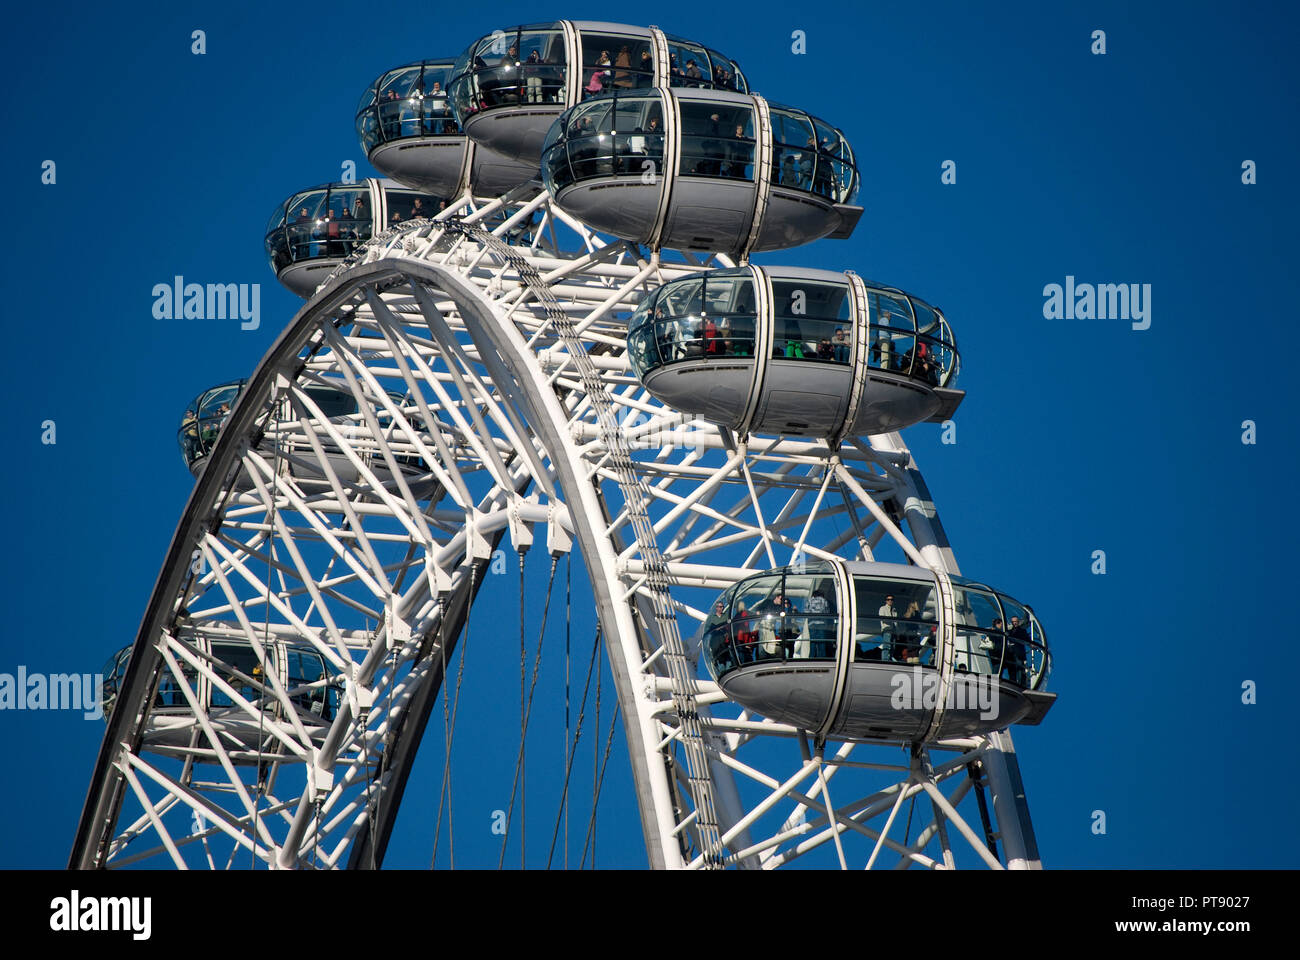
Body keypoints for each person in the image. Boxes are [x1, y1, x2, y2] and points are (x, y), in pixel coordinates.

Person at [877, 593, 898, 662]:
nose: (890, 601)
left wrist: (897, 631)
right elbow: (882, 618)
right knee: (886, 645)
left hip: (893, 630)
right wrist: (891, 620)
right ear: (886, 601)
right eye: (888, 599)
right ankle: (885, 660)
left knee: (893, 647)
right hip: (886, 629)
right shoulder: (882, 608)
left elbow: (896, 622)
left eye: (891, 600)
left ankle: (890, 659)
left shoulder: (894, 610)